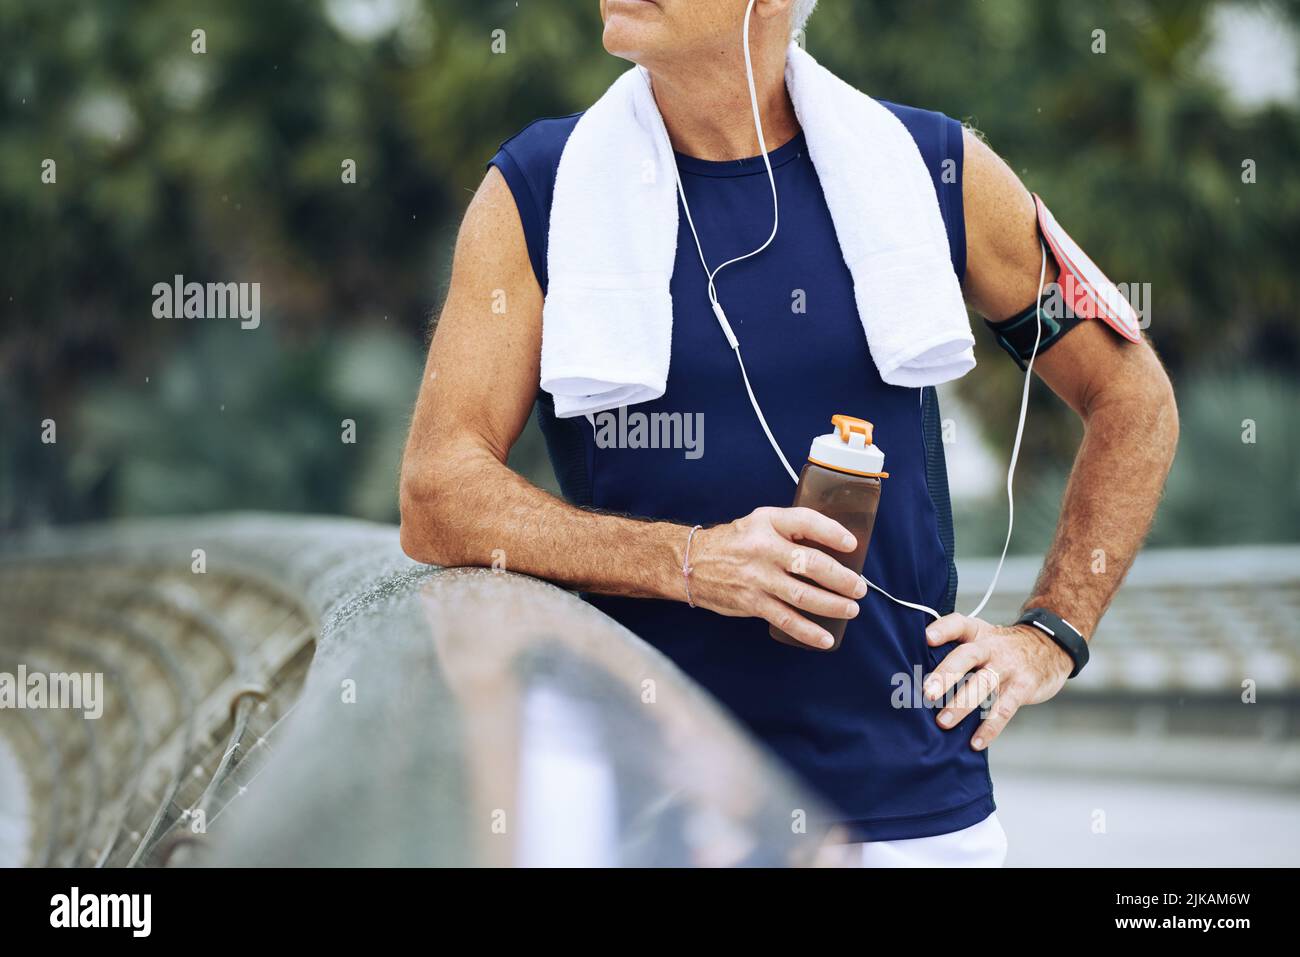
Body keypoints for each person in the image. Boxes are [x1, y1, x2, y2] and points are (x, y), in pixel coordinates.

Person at [398, 0, 1179, 866]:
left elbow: (1131, 394)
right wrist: (691, 561)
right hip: (655, 808)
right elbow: (439, 491)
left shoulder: (931, 168)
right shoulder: (537, 189)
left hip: (912, 808)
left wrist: (1051, 634)